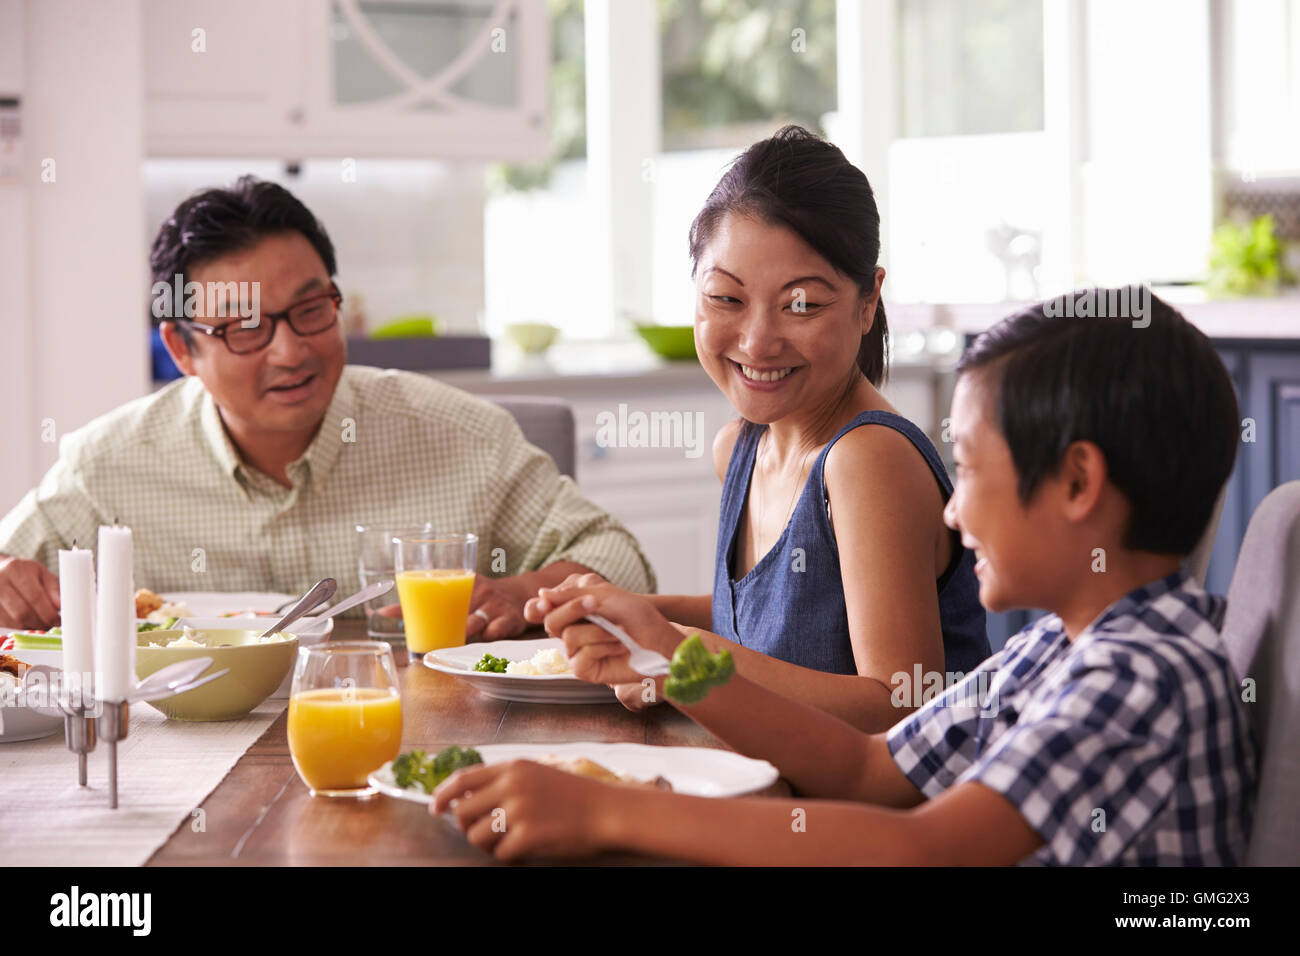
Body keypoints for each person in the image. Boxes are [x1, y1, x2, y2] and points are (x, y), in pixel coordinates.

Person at [434, 290, 1257, 865]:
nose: (950, 510)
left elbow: (919, 849)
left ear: (1077, 483)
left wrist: (606, 809)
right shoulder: (1061, 646)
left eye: (967, 470)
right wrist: (668, 660)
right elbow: (874, 771)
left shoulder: (1137, 674)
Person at [0, 176, 654, 634]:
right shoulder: (107, 469)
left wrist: (515, 593)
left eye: (312, 310)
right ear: (182, 347)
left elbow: (622, 562)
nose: (291, 352)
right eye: (247, 327)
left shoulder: (459, 434)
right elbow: (9, 575)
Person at [557, 126, 987, 732]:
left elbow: (901, 708)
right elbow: (782, 621)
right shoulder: (740, 446)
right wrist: (630, 617)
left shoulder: (868, 460)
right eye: (726, 299)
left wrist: (683, 660)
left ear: (868, 302)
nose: (758, 341)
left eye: (802, 304)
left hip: (887, 819)